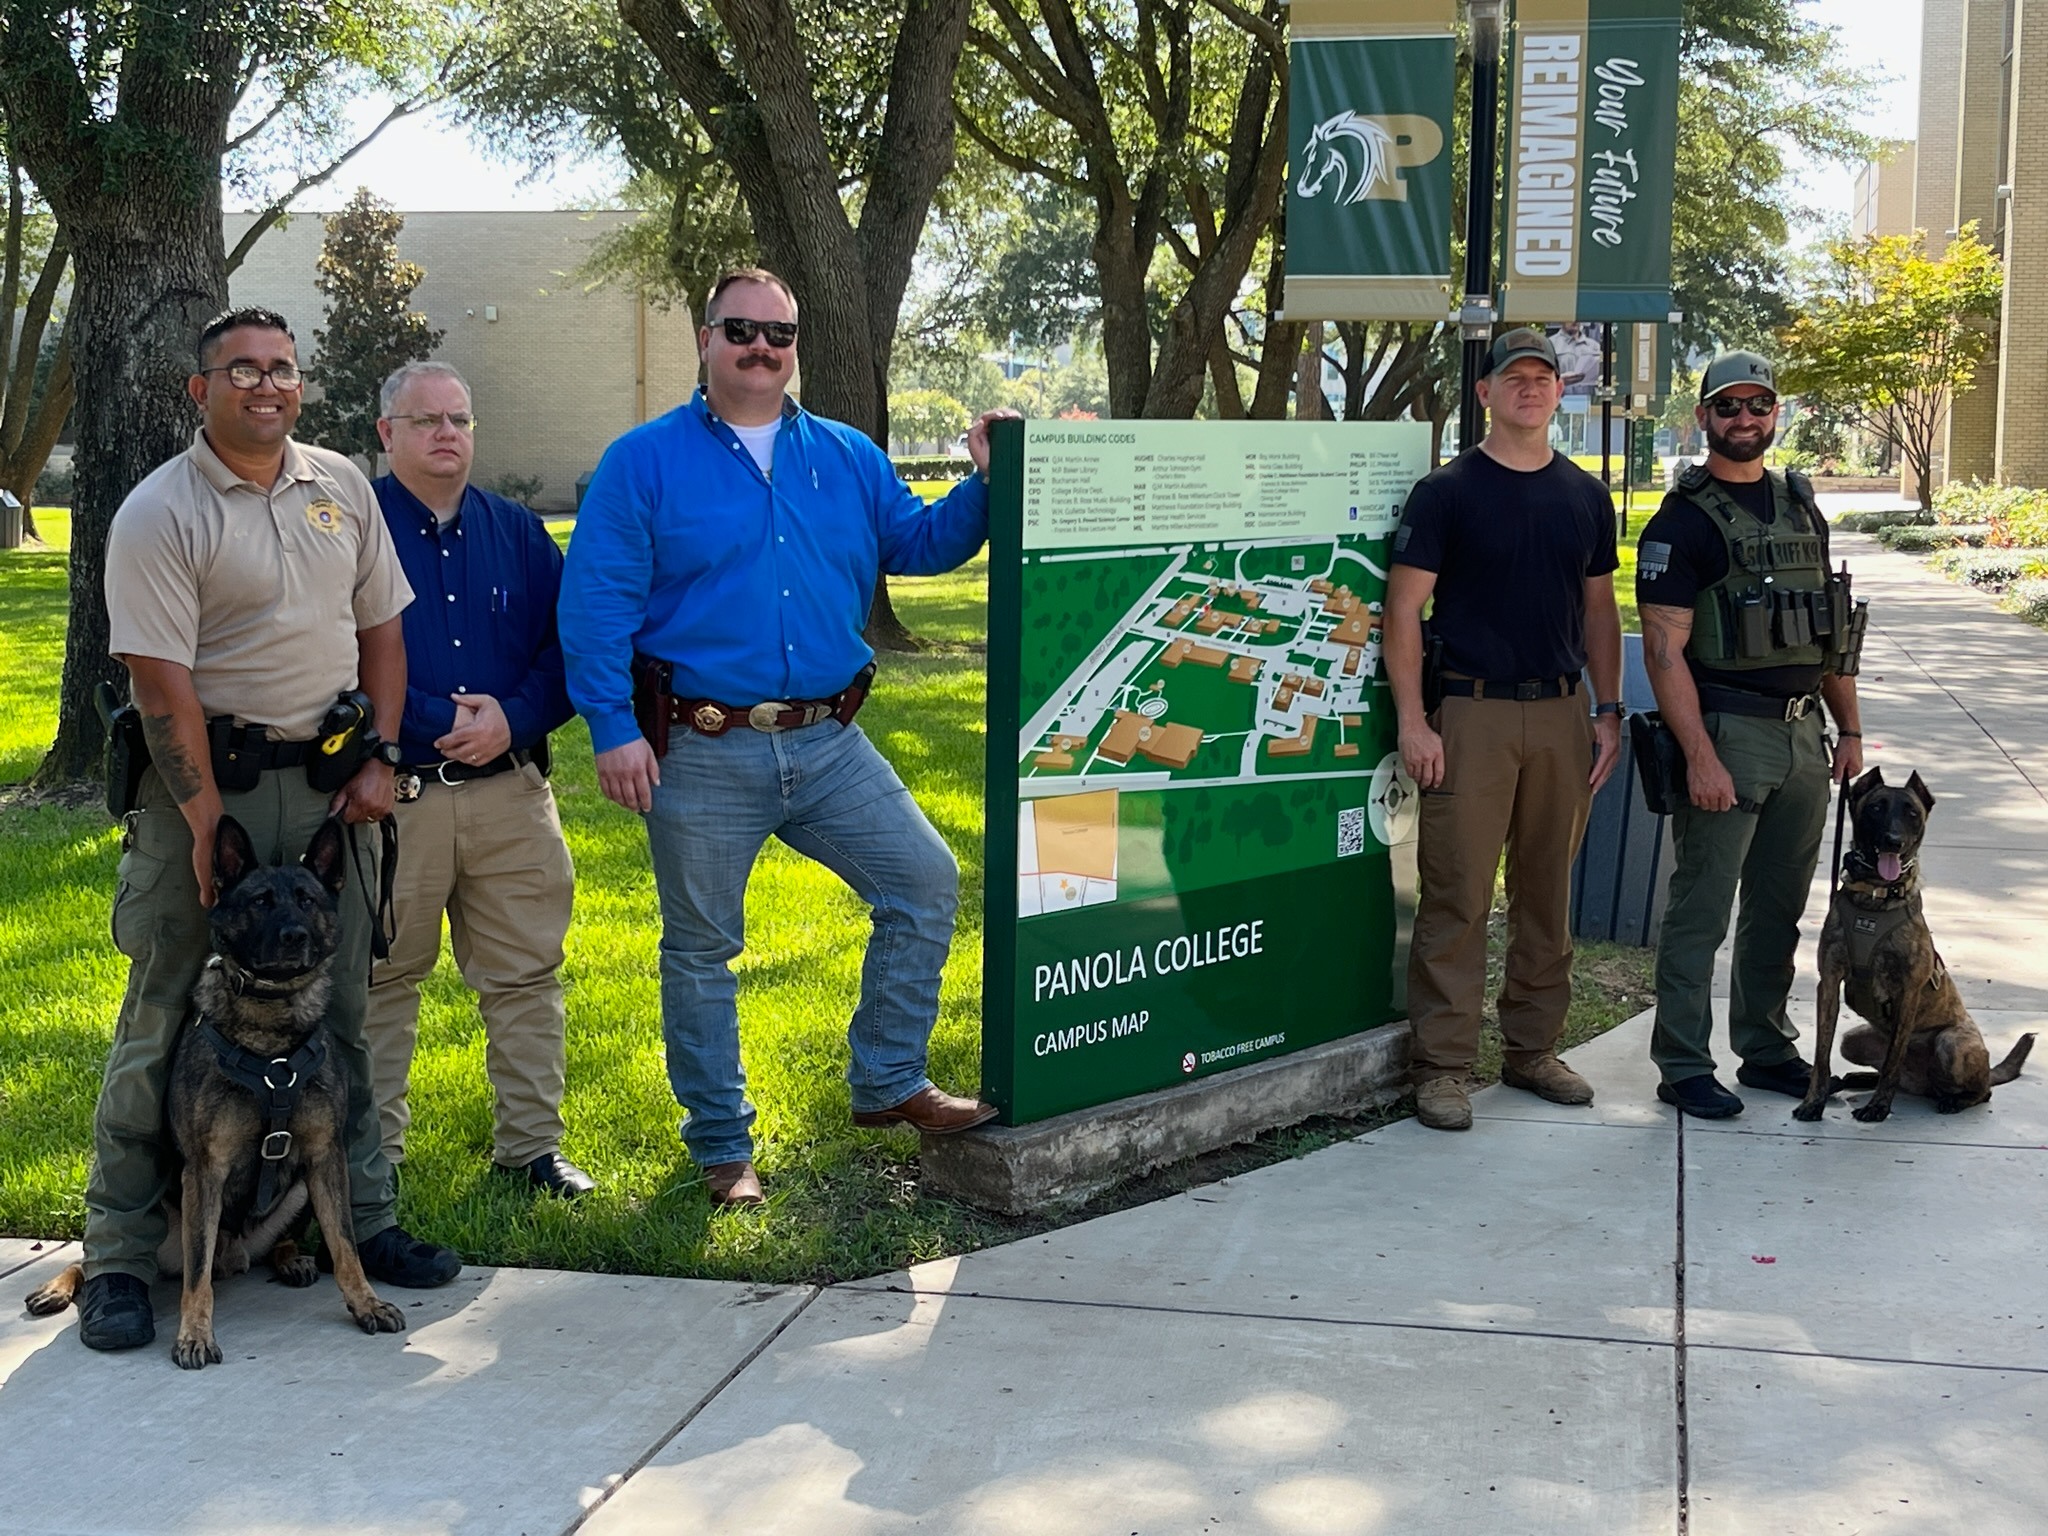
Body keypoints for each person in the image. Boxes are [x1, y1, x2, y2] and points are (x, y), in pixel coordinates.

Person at [557, 267, 1018, 1206]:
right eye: (741, 330)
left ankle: (888, 1078)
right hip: (700, 747)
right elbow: (596, 605)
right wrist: (612, 727)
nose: (761, 348)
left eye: (779, 333)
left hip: (828, 743)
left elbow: (920, 546)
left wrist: (984, 480)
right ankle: (722, 1146)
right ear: (705, 339)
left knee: (924, 882)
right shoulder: (641, 463)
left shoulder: (846, 455)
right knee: (701, 950)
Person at [81, 307, 460, 1352]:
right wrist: (205, 822)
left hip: (332, 787)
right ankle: (118, 1258)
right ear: (199, 389)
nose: (266, 384)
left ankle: (365, 1224)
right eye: (241, 369)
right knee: (163, 1014)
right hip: (210, 787)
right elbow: (158, 683)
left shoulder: (339, 485)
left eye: (282, 368)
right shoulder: (160, 511)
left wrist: (382, 754)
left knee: (342, 1012)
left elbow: (383, 631)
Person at [1385, 327, 1626, 1132]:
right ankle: (1443, 1067)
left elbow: (1600, 611)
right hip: (1471, 714)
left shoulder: (1586, 497)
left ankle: (1532, 1050)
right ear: (1484, 393)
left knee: (1546, 894)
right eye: (1513, 377)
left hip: (1561, 713)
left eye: (1542, 377)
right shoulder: (1446, 493)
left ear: (1561, 391)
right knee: (1457, 896)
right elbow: (1403, 611)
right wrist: (1414, 721)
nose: (1530, 388)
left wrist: (1607, 710)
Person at [365, 362, 589, 1197]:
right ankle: (372, 1164)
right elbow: (331, 657)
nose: (446, 434)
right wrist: (435, 720)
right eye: (425, 420)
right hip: (396, 798)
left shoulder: (519, 533)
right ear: (386, 433)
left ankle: (531, 1151)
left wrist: (513, 718)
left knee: (527, 975)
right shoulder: (352, 530)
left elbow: (571, 649)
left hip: (510, 795)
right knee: (380, 981)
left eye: (458, 419)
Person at [1635, 351, 1864, 1118]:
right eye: (1728, 406)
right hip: (1728, 730)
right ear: (1703, 416)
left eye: (1758, 404)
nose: (1744, 419)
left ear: (1776, 413)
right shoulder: (1682, 522)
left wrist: (1850, 728)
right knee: (1701, 907)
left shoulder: (1801, 507)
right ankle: (1683, 1065)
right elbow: (1663, 652)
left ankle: (1765, 1049)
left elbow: (1828, 631)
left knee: (1778, 908)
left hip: (1804, 734)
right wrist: (1700, 755)